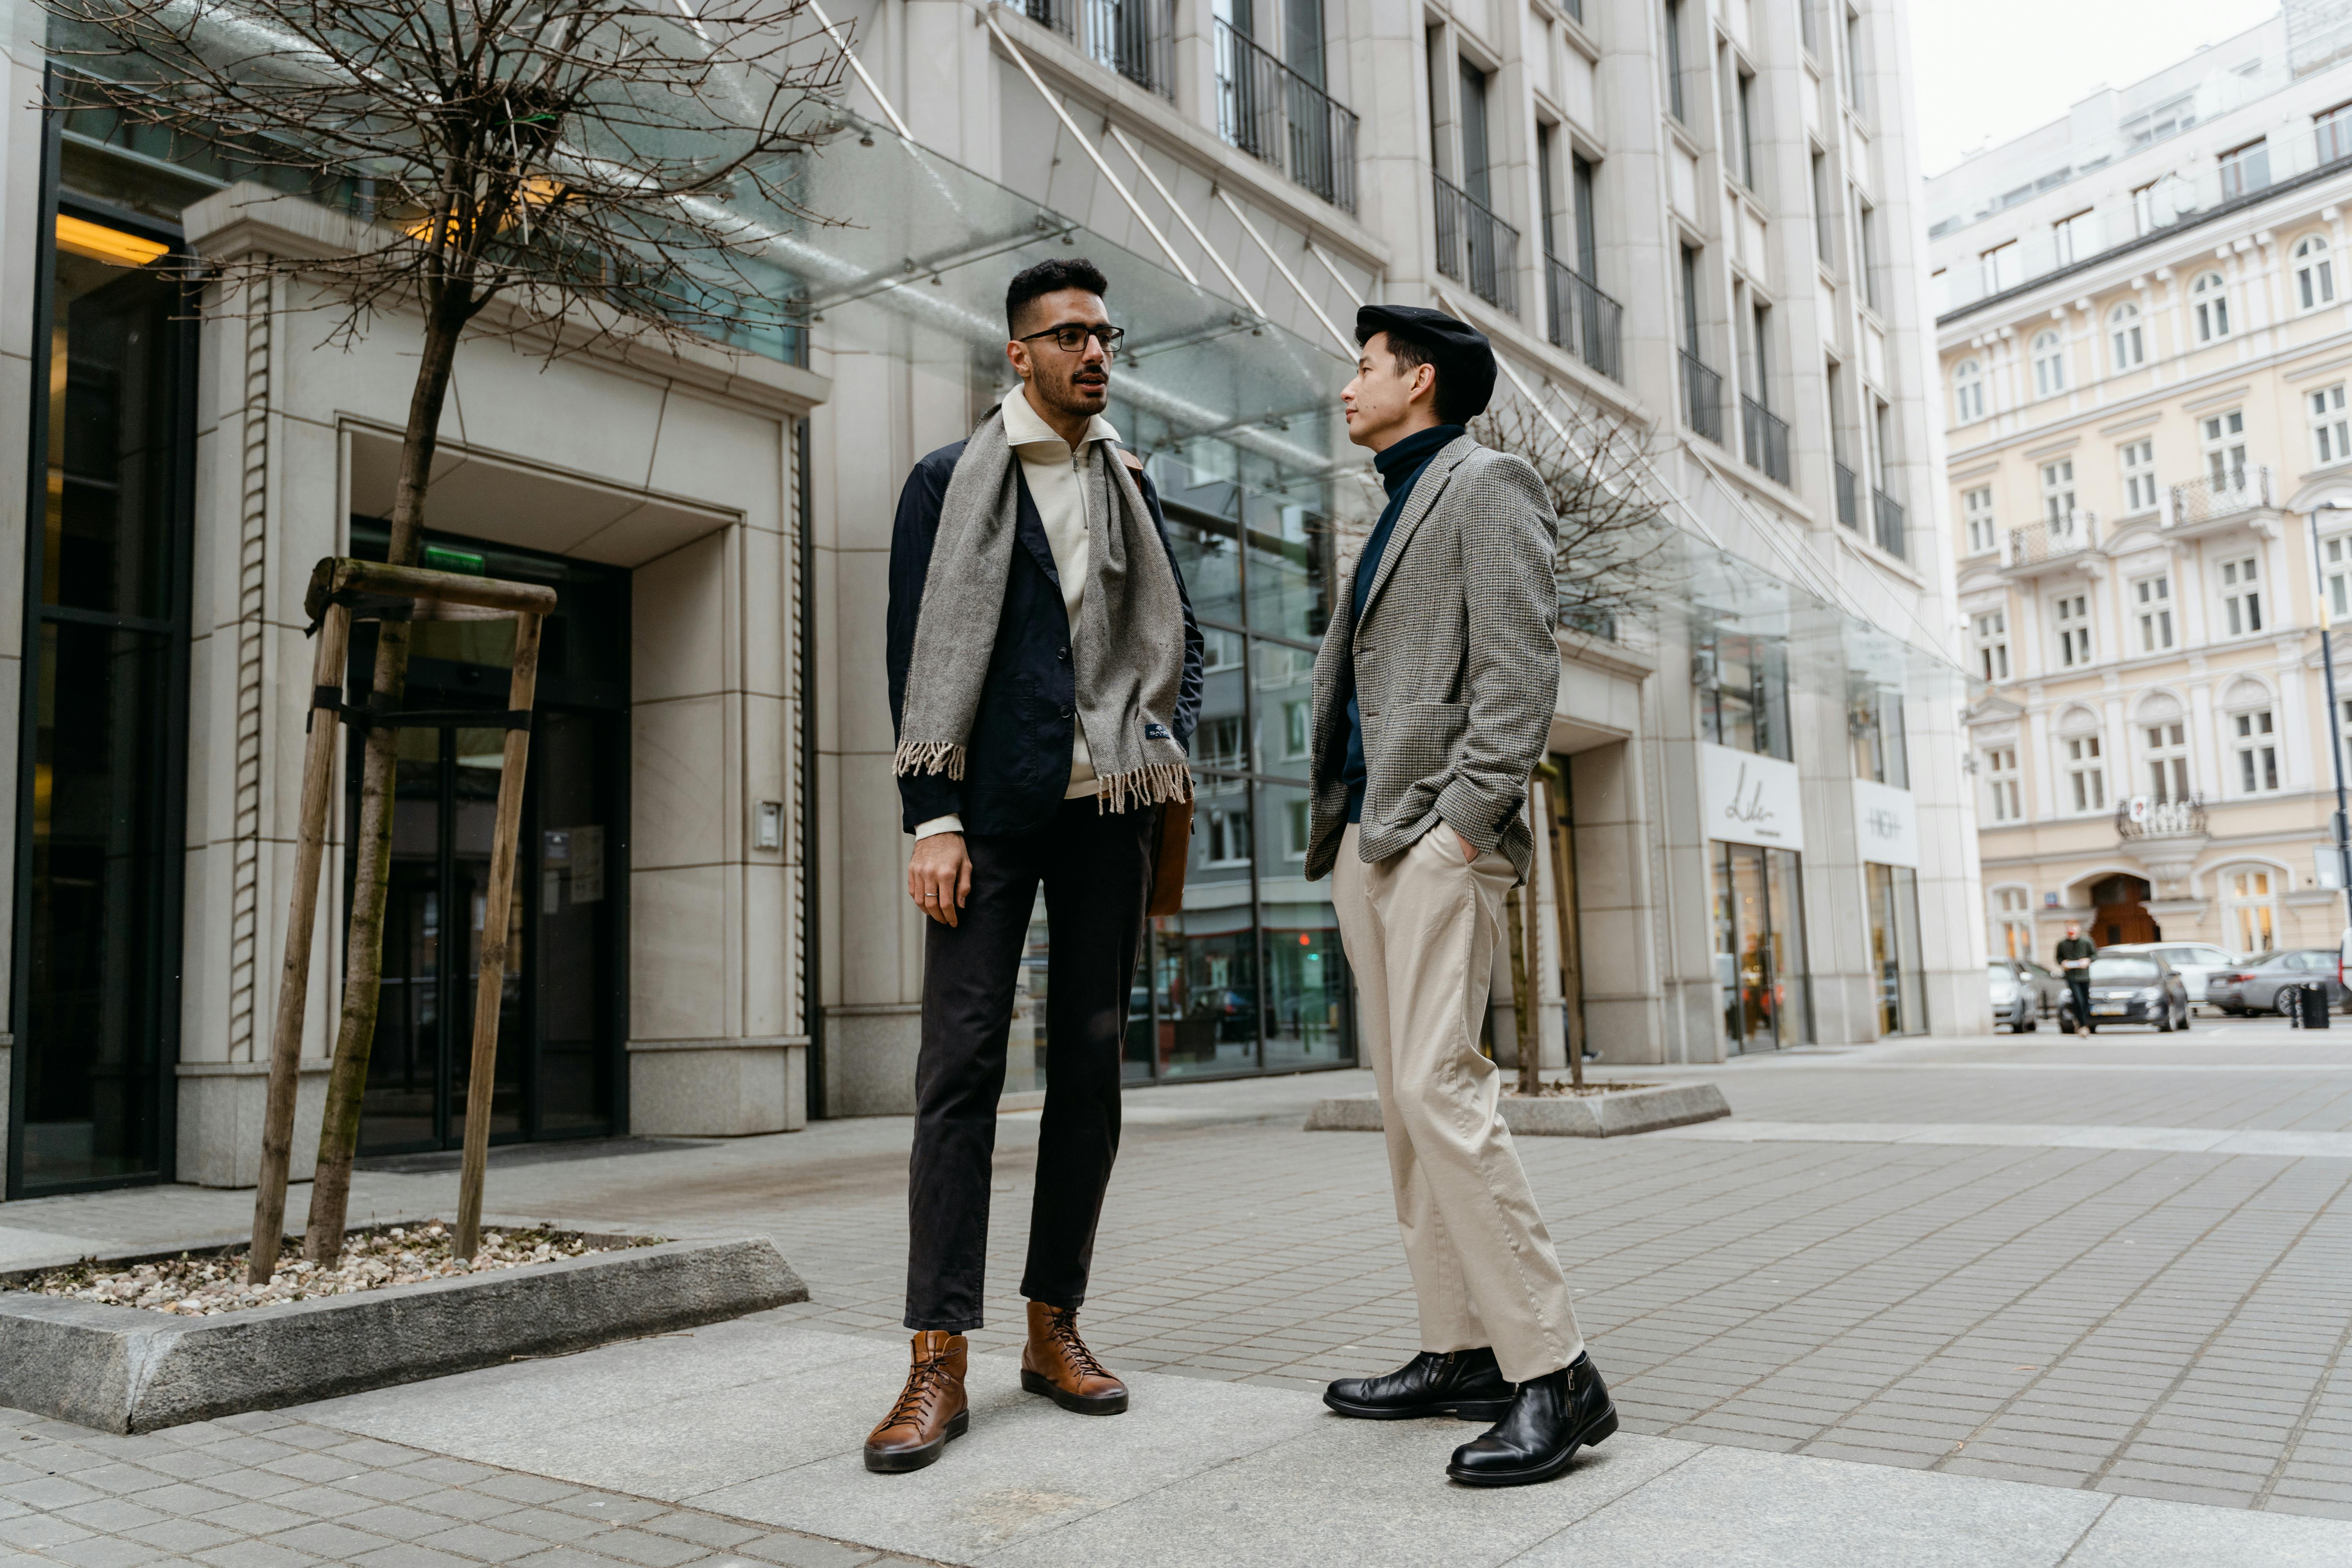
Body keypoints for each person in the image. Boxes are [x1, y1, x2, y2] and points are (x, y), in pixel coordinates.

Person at [867, 257, 1204, 1474]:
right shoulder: (946, 483)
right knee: (957, 1068)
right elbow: (915, 654)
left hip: (1105, 810)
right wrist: (931, 818)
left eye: (1103, 334)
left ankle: (1052, 1323)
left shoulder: (1128, 480)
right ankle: (934, 1355)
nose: (1093, 353)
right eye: (1067, 336)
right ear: (1018, 355)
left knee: (1092, 1070)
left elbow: (1182, 638)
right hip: (991, 815)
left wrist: (1159, 738)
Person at [1305, 304, 1615, 1488]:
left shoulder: (1487, 485)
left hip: (1436, 834)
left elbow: (1518, 671)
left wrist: (1458, 823)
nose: (1347, 386)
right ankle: (1460, 1348)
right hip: (1370, 834)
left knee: (1441, 1087)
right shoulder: (1391, 503)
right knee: (1402, 1101)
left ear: (1418, 379)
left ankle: (1556, 1369)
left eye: (1364, 366)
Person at [2057, 922, 2098, 1033]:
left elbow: (2094, 955)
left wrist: (2088, 961)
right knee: (2078, 1000)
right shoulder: (2062, 944)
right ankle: (2083, 1025)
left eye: (2074, 927)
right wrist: (2063, 963)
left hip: (2084, 976)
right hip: (2071, 977)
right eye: (2070, 927)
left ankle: (2081, 1021)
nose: (2072, 929)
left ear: (2078, 929)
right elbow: (2059, 958)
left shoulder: (2086, 942)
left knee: (2085, 1000)